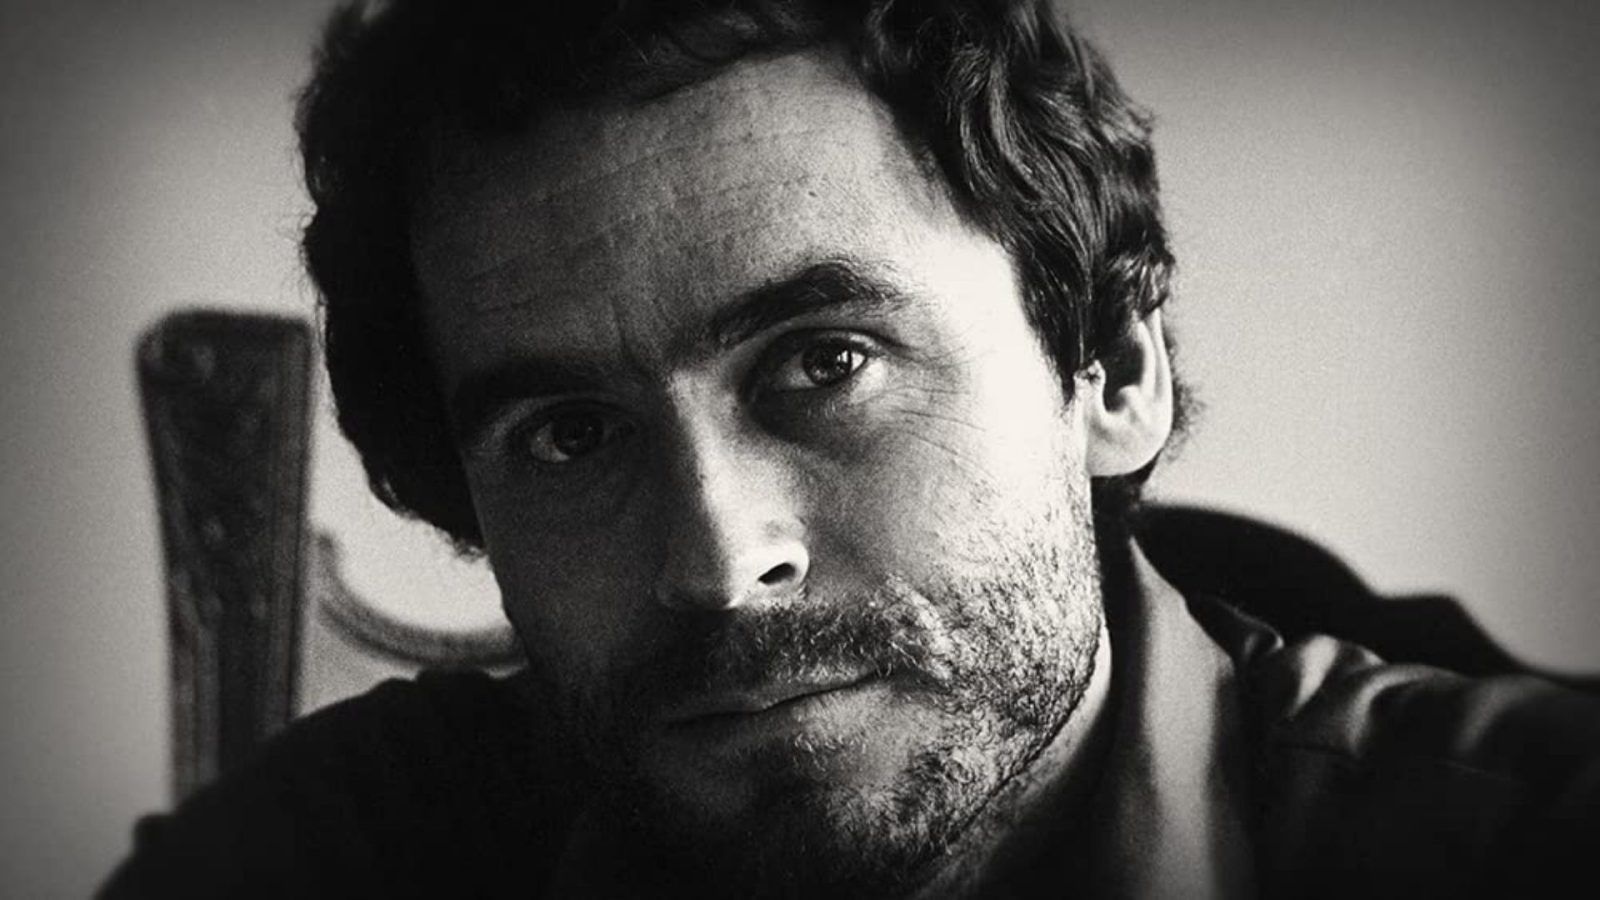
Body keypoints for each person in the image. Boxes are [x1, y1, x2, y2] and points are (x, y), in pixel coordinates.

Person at [103, 1, 1599, 897]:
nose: (719, 560)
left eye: (826, 362)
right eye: (569, 434)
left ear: (1114, 371)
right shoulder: (332, 859)